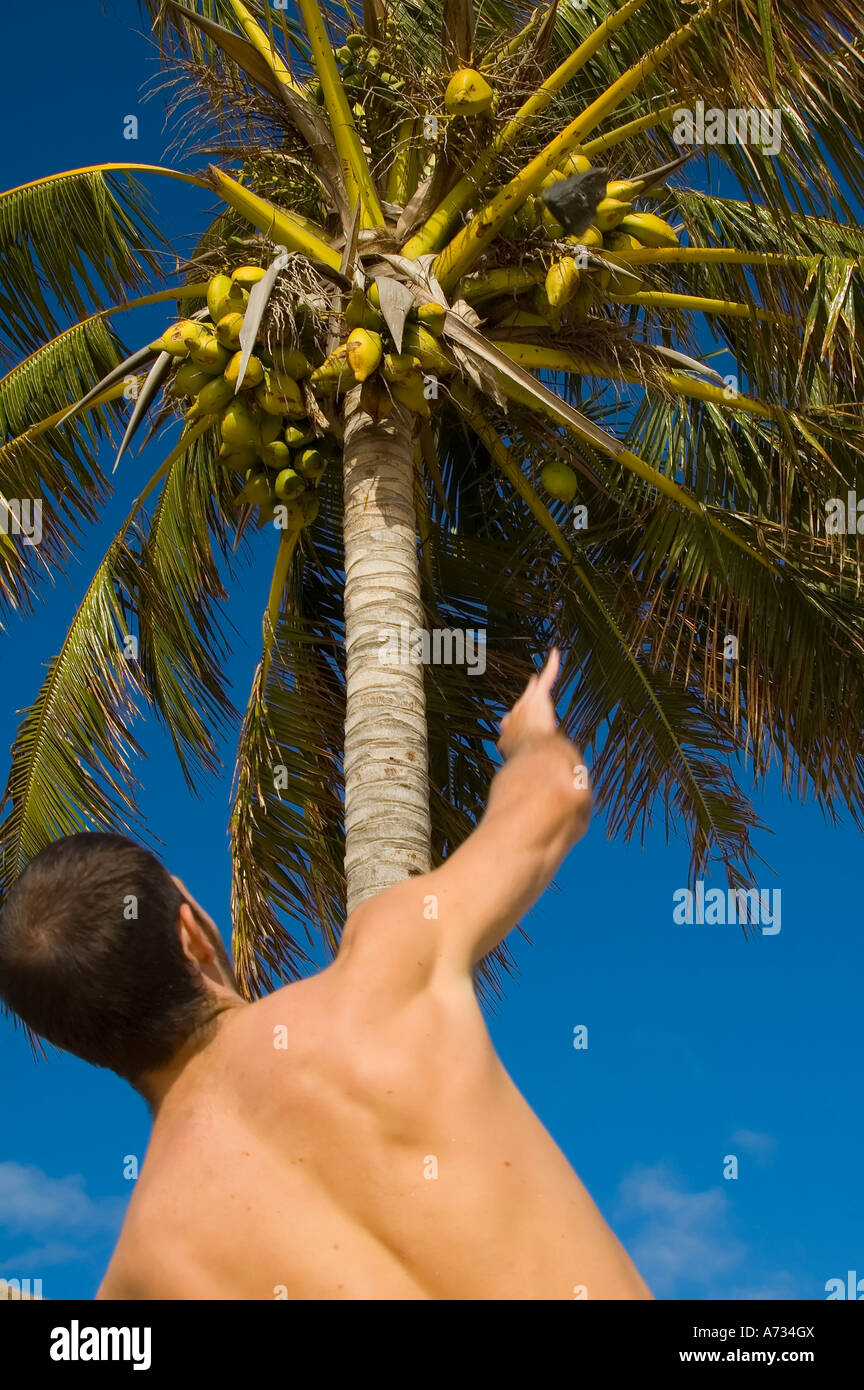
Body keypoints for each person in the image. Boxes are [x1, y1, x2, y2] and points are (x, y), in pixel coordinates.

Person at [0, 650, 652, 1300]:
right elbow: (555, 794)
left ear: (73, 1040)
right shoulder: (388, 966)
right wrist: (530, 733)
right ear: (191, 932)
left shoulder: (143, 1275)